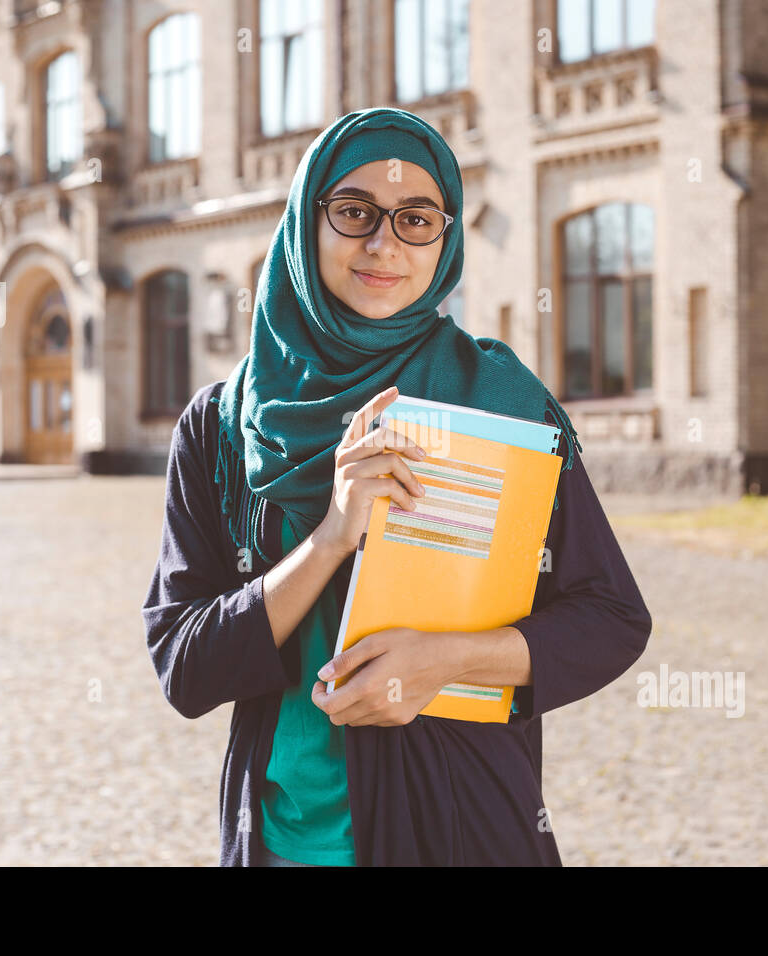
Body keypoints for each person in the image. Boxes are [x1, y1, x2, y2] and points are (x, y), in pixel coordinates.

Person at [142, 107, 653, 867]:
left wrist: (447, 659)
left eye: (418, 219)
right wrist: (330, 537)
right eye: (354, 212)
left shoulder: (501, 403)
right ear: (305, 221)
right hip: (284, 842)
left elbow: (611, 617)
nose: (384, 243)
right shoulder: (221, 427)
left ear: (445, 240)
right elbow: (185, 666)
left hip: (466, 826)